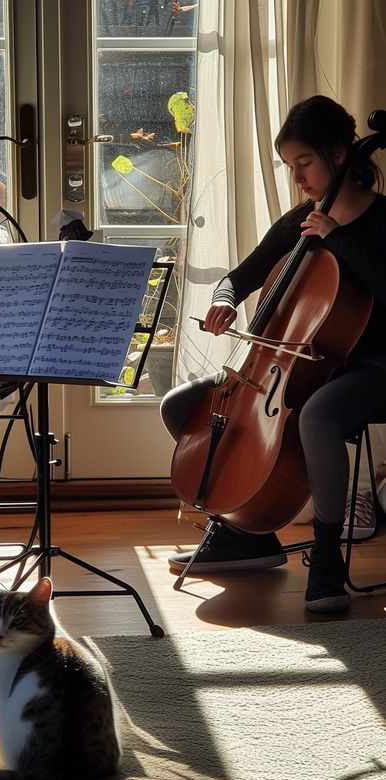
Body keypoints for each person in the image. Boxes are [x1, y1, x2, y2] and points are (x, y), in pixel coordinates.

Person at [161, 95, 386, 613]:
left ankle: (328, 557)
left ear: (340, 154)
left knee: (319, 417)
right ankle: (244, 533)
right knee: (180, 407)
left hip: (372, 365)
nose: (298, 178)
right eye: (290, 167)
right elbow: (241, 275)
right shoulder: (299, 221)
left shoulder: (378, 221)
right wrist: (223, 300)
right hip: (303, 363)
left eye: (304, 164)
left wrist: (341, 240)